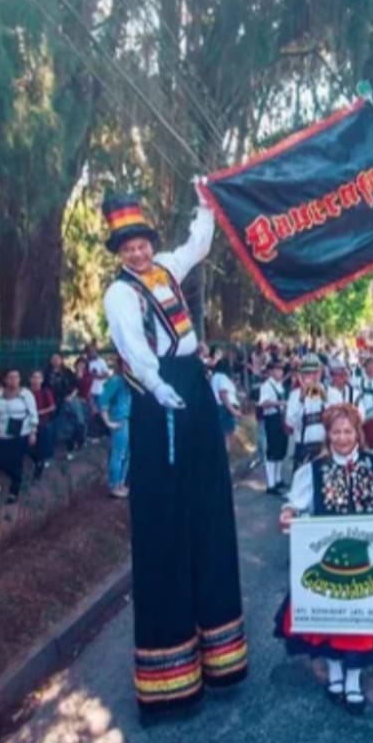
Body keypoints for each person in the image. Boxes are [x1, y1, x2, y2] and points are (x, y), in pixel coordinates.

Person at [101, 187, 247, 715]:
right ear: (118, 252)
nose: (137, 252)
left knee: (207, 507)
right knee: (166, 520)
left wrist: (205, 205)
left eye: (141, 243)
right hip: (160, 395)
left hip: (192, 386)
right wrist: (160, 389)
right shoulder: (121, 294)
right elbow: (134, 350)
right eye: (128, 247)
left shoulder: (165, 269)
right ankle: (172, 674)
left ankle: (221, 657)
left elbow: (198, 246)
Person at [274, 404, 373, 714]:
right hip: (329, 558)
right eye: (336, 432)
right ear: (328, 435)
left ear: (357, 434)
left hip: (362, 558)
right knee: (330, 619)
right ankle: (335, 675)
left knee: (359, 622)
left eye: (348, 431)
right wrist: (288, 513)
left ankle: (353, 681)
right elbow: (296, 504)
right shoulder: (314, 469)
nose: (343, 438)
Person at [0, 368, 38, 503]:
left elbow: (33, 414)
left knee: (16, 461)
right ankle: (21, 474)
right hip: (2, 433)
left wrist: (33, 432)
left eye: (16, 377)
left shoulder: (26, 394)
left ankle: (15, 489)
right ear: (5, 379)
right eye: (11, 377)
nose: (14, 380)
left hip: (21, 432)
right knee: (1, 462)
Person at [285, 355, 339, 472]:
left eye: (315, 373)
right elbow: (291, 423)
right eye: (307, 373)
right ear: (301, 376)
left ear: (321, 373)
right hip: (304, 448)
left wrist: (324, 398)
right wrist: (301, 399)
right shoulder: (295, 396)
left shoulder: (333, 393)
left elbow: (337, 419)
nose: (311, 377)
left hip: (327, 447)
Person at [100, 357, 133, 498]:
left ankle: (120, 482)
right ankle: (114, 485)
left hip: (128, 419)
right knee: (118, 454)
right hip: (119, 420)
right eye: (126, 363)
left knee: (126, 454)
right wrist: (108, 421)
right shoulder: (115, 381)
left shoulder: (130, 381)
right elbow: (103, 401)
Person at [257, 359, 291, 494]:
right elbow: (263, 403)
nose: (280, 372)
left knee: (281, 449)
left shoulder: (279, 385)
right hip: (272, 419)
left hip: (281, 419)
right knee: (273, 450)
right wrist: (279, 403)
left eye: (281, 370)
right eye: (277, 370)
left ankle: (278, 479)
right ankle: (271, 484)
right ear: (271, 372)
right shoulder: (266, 386)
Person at [27, 370, 56, 482]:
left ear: (42, 380)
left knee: (41, 448)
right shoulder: (26, 392)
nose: (36, 380)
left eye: (38, 377)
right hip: (28, 424)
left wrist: (40, 412)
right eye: (34, 377)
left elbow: (52, 406)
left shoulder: (45, 392)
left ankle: (38, 470)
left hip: (43, 423)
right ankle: (37, 462)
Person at [210, 362, 243, 443]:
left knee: (226, 434)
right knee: (227, 435)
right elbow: (223, 395)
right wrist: (234, 411)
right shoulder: (222, 377)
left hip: (220, 408)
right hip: (224, 409)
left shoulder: (214, 378)